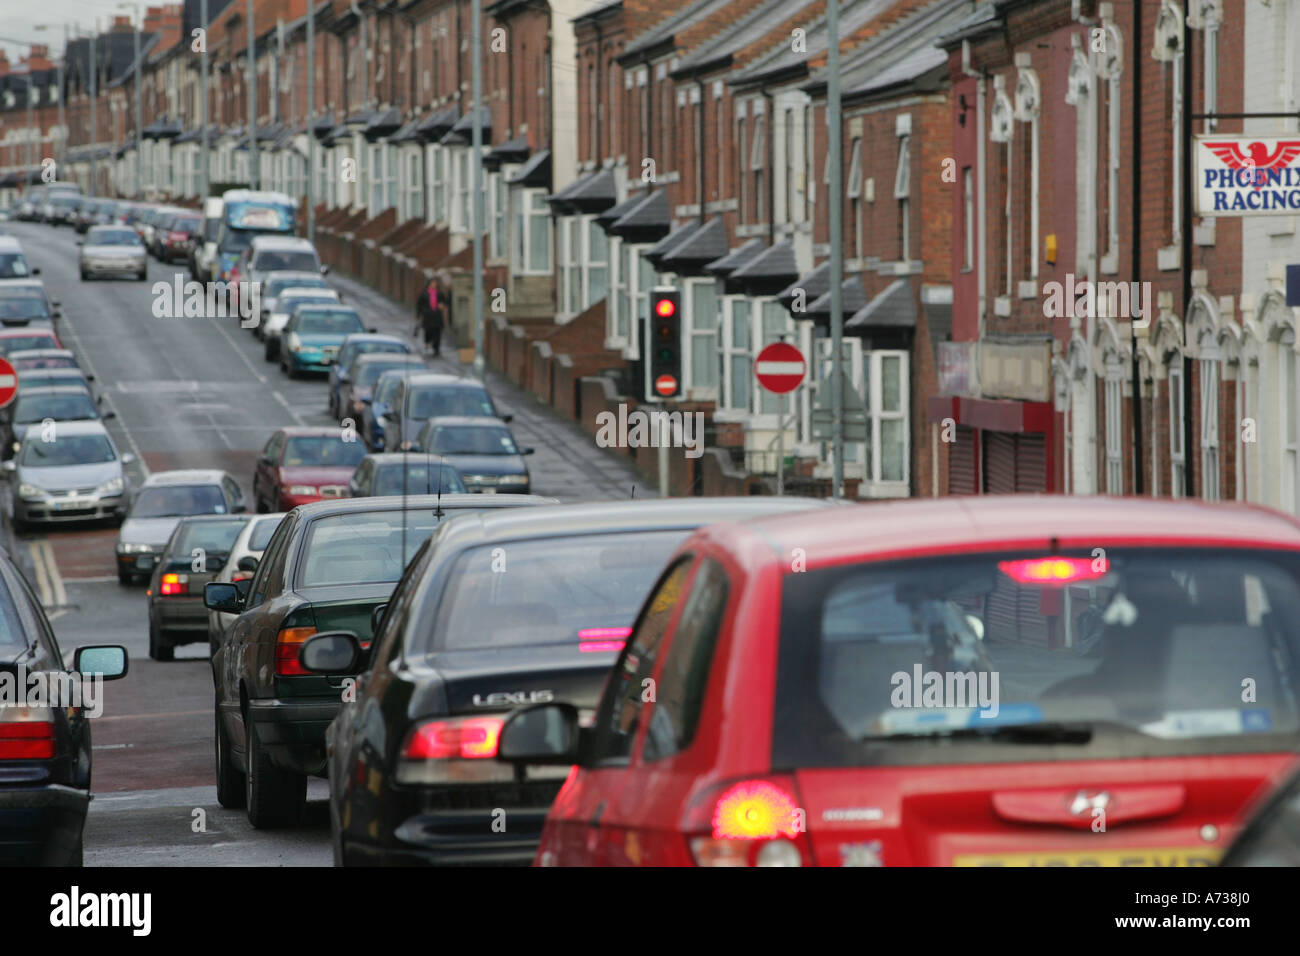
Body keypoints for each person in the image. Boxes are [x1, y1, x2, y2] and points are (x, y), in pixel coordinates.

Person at [416, 274, 449, 357]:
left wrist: (442, 306)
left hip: (437, 316)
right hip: (428, 317)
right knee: (428, 331)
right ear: (429, 284)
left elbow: (444, 303)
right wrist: (419, 314)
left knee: (437, 333)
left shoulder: (440, 293)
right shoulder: (424, 294)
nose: (434, 285)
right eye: (432, 283)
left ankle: (436, 349)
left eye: (435, 283)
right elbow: (419, 304)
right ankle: (427, 342)